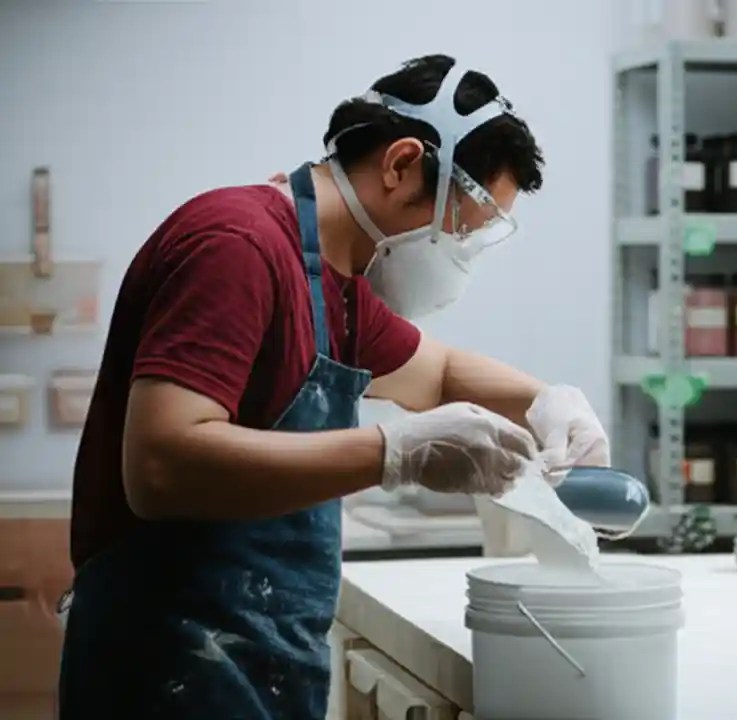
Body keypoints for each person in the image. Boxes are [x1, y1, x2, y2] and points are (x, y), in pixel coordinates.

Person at [57, 54, 609, 719]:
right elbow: (159, 466)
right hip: (169, 663)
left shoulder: (335, 285)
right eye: (460, 226)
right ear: (402, 164)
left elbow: (436, 373)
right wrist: (393, 454)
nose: (457, 252)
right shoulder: (238, 246)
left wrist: (549, 402)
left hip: (260, 657)